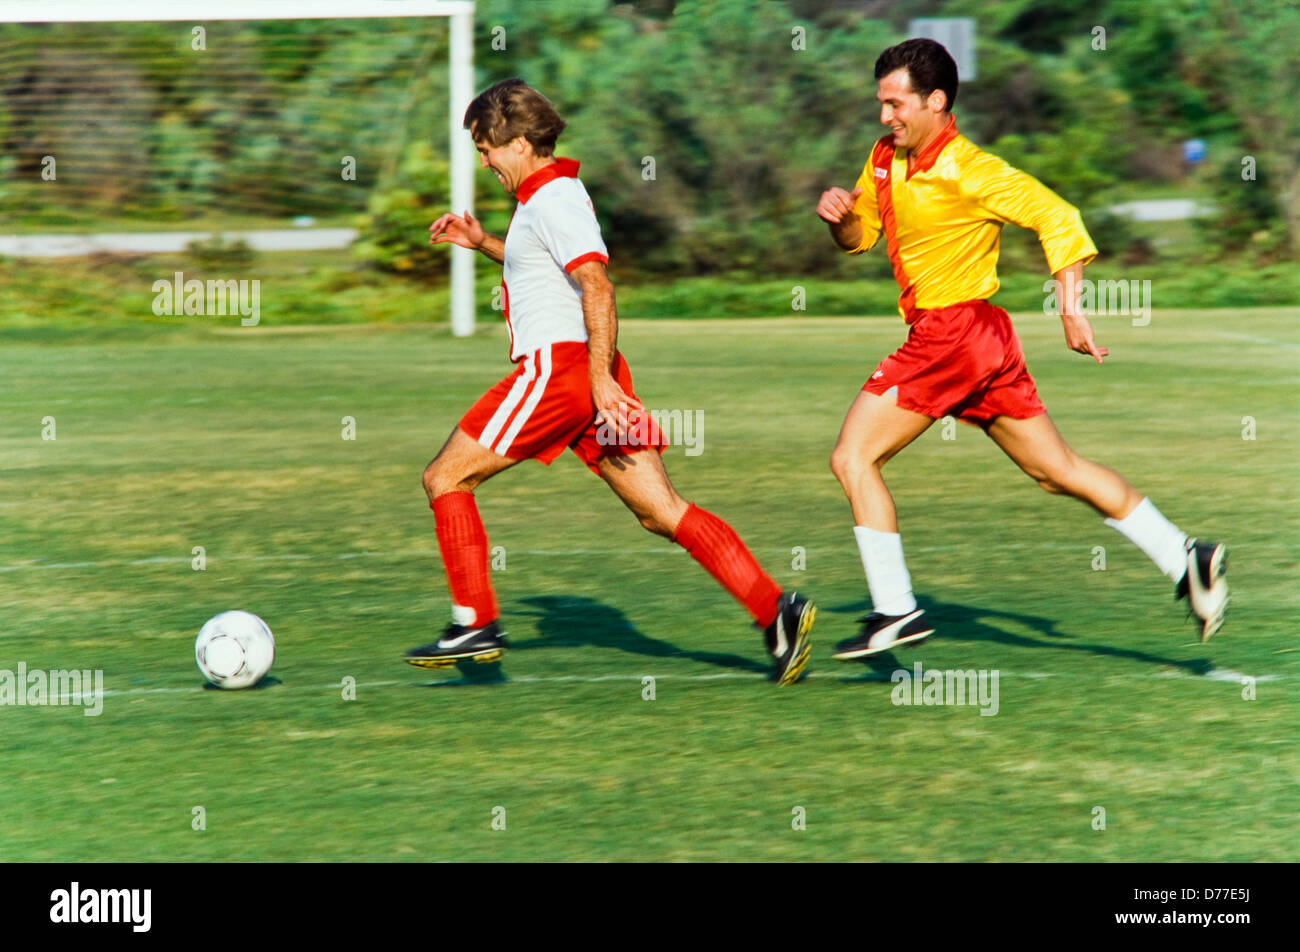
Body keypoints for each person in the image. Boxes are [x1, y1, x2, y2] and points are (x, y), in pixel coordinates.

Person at [816, 39, 1227, 660]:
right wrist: (839, 217)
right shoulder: (884, 158)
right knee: (1054, 471)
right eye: (880, 104)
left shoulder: (971, 169)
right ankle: (1184, 556)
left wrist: (1070, 308)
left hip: (951, 335)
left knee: (852, 458)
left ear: (936, 101)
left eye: (895, 104)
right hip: (979, 341)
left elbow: (1058, 216)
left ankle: (895, 610)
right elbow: (863, 236)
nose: (884, 117)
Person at [405, 79, 814, 684]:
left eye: (486, 149)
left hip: (564, 372)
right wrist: (482, 241)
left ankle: (475, 621)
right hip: (586, 375)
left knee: (445, 477)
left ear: (519, 142)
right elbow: (547, 272)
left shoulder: (554, 198)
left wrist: (596, 381)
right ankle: (775, 610)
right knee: (661, 512)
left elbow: (598, 284)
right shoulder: (542, 199)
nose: (483, 162)